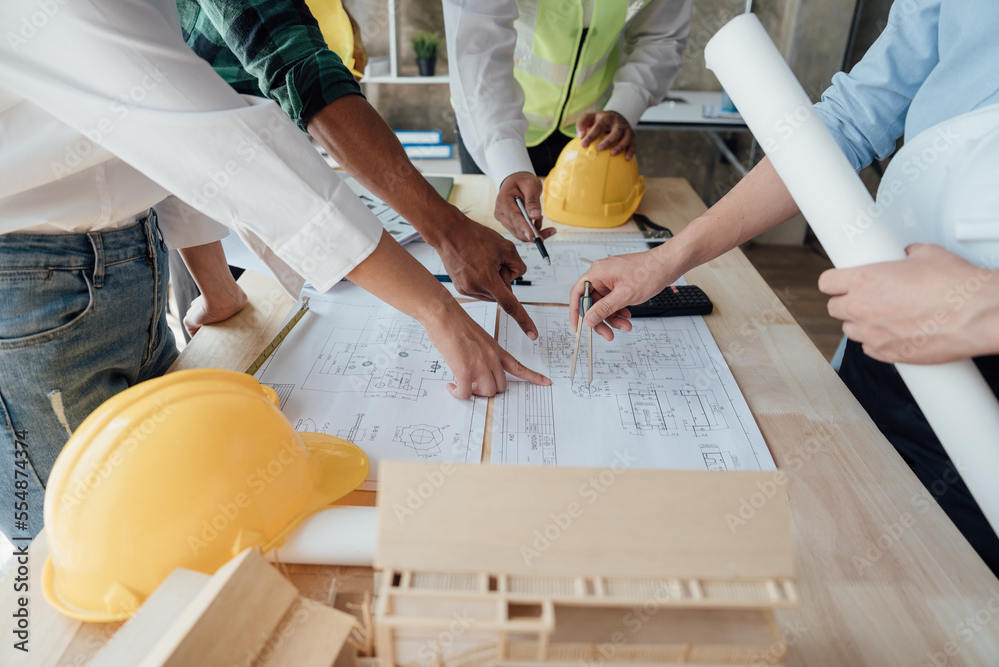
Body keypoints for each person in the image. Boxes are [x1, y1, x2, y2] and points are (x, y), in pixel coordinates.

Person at [0, 0, 548, 542]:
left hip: (131, 255)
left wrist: (216, 287)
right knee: (84, 543)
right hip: (34, 295)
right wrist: (436, 308)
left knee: (176, 518)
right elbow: (217, 137)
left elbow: (168, 125)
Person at [570, 0, 999, 573]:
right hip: (890, 325)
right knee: (841, 554)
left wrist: (980, 307)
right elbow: (846, 123)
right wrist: (669, 260)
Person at [169, 0, 542, 342]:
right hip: (200, 197)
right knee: (229, 355)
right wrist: (449, 236)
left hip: (275, 157)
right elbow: (302, 71)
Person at [443, 0, 692, 243]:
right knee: (490, 243)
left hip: (591, 136)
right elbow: (477, 47)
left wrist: (626, 105)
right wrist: (507, 163)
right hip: (492, 126)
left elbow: (661, 37)